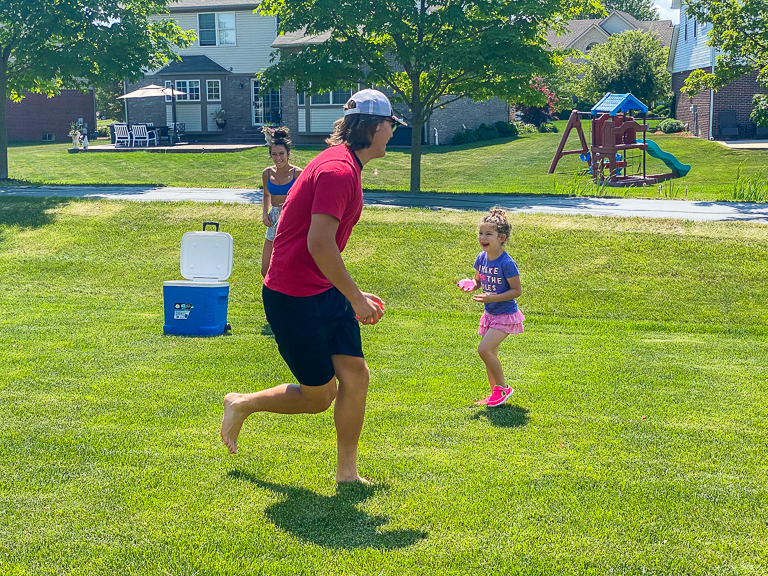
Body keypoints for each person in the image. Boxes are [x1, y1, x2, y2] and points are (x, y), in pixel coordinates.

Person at [220, 89, 406, 483]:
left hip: (322, 289)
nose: (393, 132)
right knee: (319, 396)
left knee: (356, 375)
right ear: (374, 126)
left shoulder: (343, 164)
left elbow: (321, 247)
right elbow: (319, 244)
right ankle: (241, 403)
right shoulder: (338, 171)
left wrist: (349, 293)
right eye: (391, 124)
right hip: (293, 297)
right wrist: (354, 297)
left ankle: (347, 473)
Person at [457, 208, 524, 407]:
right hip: (490, 313)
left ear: (501, 238)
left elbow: (516, 291)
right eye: (480, 233)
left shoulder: (507, 263)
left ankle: (503, 389)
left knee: (484, 349)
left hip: (506, 315)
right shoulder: (481, 258)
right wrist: (472, 284)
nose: (482, 238)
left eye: (488, 234)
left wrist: (492, 298)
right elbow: (478, 280)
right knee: (490, 355)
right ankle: (495, 394)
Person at [260, 126, 303, 276]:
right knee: (265, 269)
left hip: (291, 219)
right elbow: (266, 195)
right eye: (274, 154)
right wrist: (265, 214)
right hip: (274, 218)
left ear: (288, 154)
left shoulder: (298, 174)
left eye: (281, 154)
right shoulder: (267, 173)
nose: (278, 158)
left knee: (290, 267)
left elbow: (305, 200)